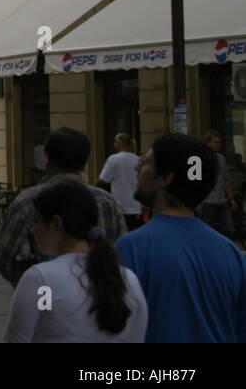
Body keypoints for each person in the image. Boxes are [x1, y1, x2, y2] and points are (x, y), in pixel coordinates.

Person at [117, 134, 246, 342]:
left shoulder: (131, 248)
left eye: (146, 163)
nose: (137, 168)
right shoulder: (231, 253)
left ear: (165, 178)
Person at [4, 177, 148, 342]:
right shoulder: (128, 280)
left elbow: (17, 339)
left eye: (37, 221)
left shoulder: (41, 280)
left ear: (56, 223)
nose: (32, 230)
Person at [0, 128, 126, 285]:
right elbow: (120, 254)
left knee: (46, 308)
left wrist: (29, 284)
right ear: (84, 163)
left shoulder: (27, 201)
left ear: (47, 159)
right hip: (99, 296)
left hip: (46, 291)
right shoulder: (108, 202)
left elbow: (3, 257)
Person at [97, 133, 143, 232]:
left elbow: (102, 181)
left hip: (120, 207)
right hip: (137, 208)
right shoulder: (138, 160)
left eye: (115, 141)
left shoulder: (113, 159)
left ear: (119, 143)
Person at [199, 130, 236, 238]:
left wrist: (231, 198)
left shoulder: (221, 158)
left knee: (229, 229)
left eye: (219, 142)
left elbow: (226, 180)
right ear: (208, 143)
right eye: (215, 142)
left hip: (221, 200)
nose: (218, 145)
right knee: (207, 231)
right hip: (207, 201)